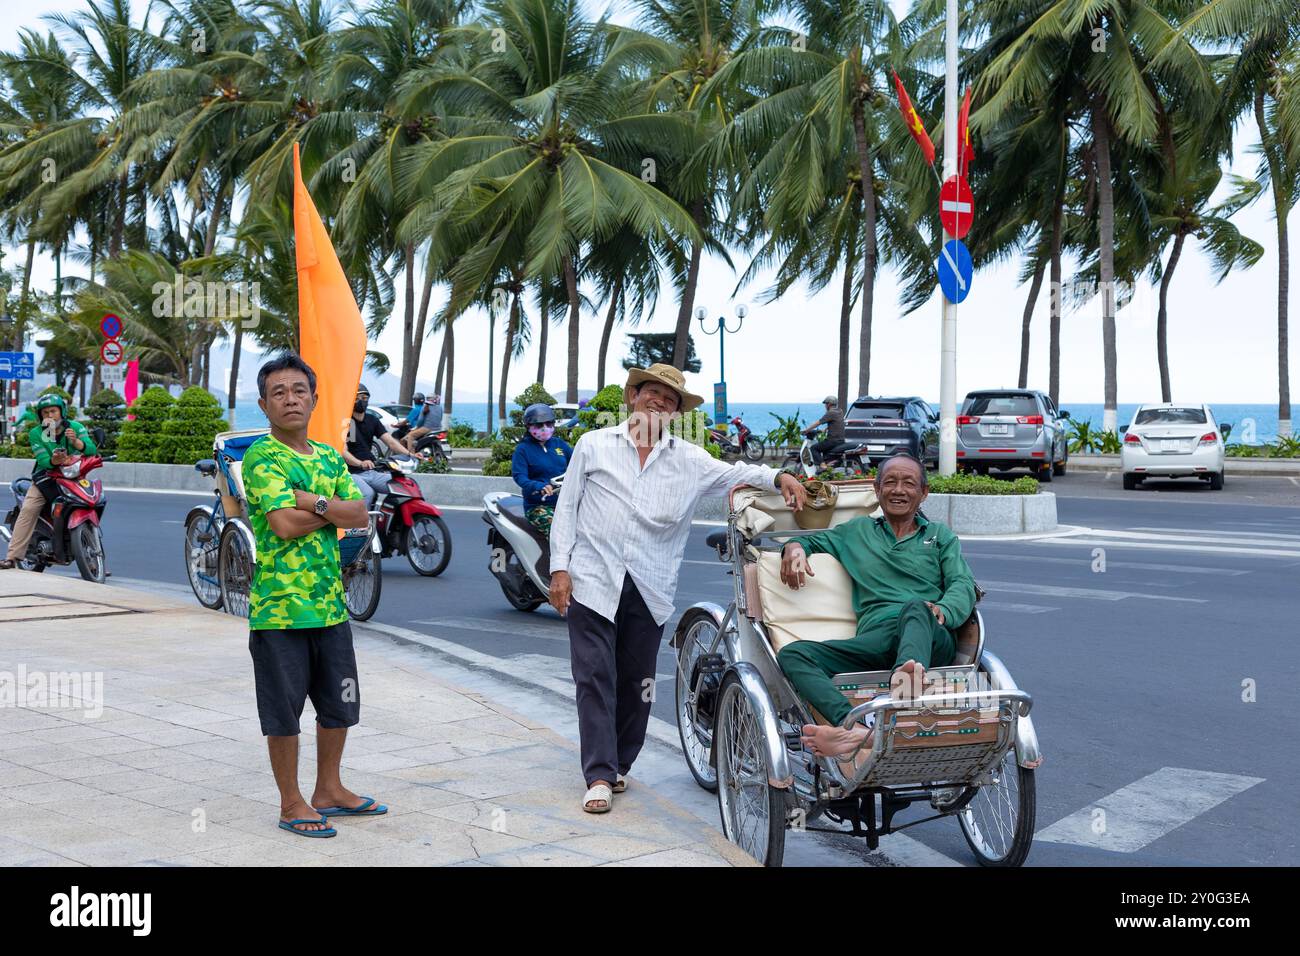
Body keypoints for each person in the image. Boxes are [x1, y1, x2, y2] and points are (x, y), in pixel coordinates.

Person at [549, 363, 809, 813]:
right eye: (652, 393)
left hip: (649, 586)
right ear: (633, 396)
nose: (659, 403)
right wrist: (560, 570)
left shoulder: (688, 460)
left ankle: (619, 765)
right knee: (593, 677)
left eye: (669, 401)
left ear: (675, 412)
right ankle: (597, 774)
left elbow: (736, 473)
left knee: (637, 684)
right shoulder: (593, 446)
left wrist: (778, 477)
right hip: (593, 579)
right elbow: (566, 509)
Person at [242, 354, 383, 838]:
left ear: (315, 398)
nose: (290, 398)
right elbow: (281, 525)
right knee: (283, 712)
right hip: (279, 611)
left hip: (329, 605)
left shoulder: (326, 455)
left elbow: (360, 513)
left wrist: (312, 501)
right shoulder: (262, 457)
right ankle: (291, 802)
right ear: (264, 404)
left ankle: (329, 790)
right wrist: (332, 510)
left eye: (299, 390)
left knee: (338, 704)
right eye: (278, 392)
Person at [775, 452, 976, 767]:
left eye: (909, 483)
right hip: (876, 640)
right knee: (792, 654)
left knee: (914, 608)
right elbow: (810, 542)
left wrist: (943, 611)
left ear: (923, 493)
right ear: (877, 489)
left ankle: (907, 678)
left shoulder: (939, 536)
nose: (899, 490)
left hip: (928, 632)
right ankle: (855, 729)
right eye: (890, 482)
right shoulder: (855, 531)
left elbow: (962, 584)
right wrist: (794, 549)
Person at [1, 394, 97, 570]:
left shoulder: (75, 427)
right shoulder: (39, 433)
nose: (50, 416)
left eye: (53, 411)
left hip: (72, 476)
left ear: (62, 411)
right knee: (29, 509)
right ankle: (12, 557)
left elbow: (91, 449)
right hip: (45, 478)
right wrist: (54, 460)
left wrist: (76, 442)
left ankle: (93, 558)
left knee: (92, 503)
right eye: (45, 413)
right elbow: (44, 459)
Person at [340, 383, 411, 507]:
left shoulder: (372, 420)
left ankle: (393, 523)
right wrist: (360, 463)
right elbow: (343, 451)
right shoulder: (346, 422)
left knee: (403, 487)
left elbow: (391, 442)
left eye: (364, 398)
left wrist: (411, 454)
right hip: (352, 473)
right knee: (367, 493)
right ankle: (359, 526)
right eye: (357, 398)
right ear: (351, 400)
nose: (361, 401)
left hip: (372, 471)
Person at [510, 403, 572, 535]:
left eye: (549, 424)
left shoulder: (560, 445)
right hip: (538, 506)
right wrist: (539, 486)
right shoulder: (523, 450)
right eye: (539, 425)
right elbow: (519, 476)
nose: (545, 428)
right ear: (528, 426)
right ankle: (557, 556)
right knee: (559, 532)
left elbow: (578, 463)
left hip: (565, 504)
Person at [803, 395, 846, 465]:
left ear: (829, 404)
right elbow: (837, 423)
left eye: (825, 404)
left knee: (814, 448)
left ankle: (822, 466)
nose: (825, 406)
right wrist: (826, 429)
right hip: (841, 440)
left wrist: (807, 430)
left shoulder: (830, 413)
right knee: (825, 452)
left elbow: (818, 422)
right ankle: (828, 466)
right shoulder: (840, 411)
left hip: (833, 441)